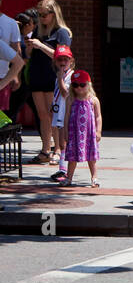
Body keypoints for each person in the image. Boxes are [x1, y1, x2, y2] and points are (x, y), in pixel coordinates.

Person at [25, 0, 72, 166]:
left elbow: (63, 57)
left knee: (54, 116)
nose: (41, 18)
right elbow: (29, 55)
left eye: (44, 15)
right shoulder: (38, 30)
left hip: (53, 77)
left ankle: (58, 150)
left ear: (53, 14)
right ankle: (45, 149)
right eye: (39, 14)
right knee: (42, 115)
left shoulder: (61, 32)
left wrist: (41, 46)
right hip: (37, 75)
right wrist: (30, 46)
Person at [58, 69, 100, 188]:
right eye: (76, 85)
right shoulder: (70, 99)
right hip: (74, 133)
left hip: (89, 134)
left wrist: (99, 131)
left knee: (91, 158)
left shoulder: (93, 100)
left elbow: (98, 117)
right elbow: (66, 116)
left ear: (88, 84)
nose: (79, 88)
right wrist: (65, 132)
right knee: (72, 158)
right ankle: (69, 178)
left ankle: (94, 178)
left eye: (82, 85)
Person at [48, 45, 74, 182]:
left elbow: (65, 93)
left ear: (71, 61)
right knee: (61, 142)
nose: (63, 63)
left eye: (66, 59)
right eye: (59, 60)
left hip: (67, 113)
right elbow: (57, 94)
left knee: (64, 142)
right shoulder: (59, 76)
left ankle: (65, 171)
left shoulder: (70, 76)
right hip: (59, 112)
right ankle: (62, 169)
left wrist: (59, 79)